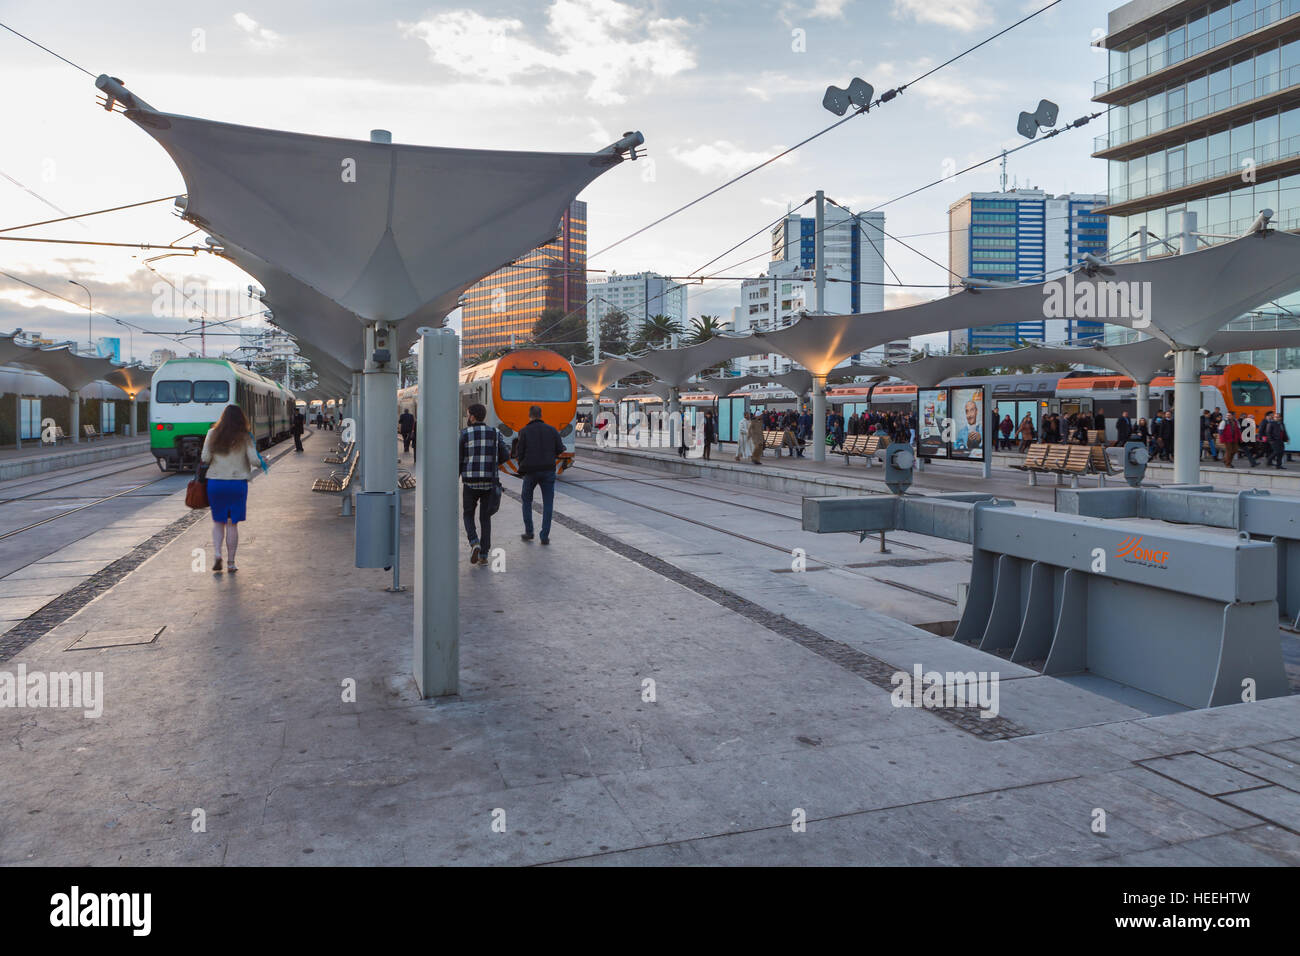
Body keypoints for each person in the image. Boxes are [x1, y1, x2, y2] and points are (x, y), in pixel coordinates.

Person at [201, 404, 265, 573]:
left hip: (216, 484)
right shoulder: (244, 436)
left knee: (218, 523)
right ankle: (231, 563)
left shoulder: (212, 434)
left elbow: (205, 458)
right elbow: (255, 460)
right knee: (232, 524)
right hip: (237, 484)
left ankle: (217, 554)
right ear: (241, 418)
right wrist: (262, 460)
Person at [459, 402, 509, 565]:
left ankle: (474, 542)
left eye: (468, 414)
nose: (468, 417)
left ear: (472, 416)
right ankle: (484, 556)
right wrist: (492, 463)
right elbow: (505, 455)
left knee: (468, 514)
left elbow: (459, 459)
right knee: (485, 518)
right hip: (489, 482)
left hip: (470, 482)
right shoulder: (495, 433)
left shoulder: (465, 433)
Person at [516, 405, 565, 544]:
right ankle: (544, 536)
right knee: (548, 503)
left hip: (530, 472)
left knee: (526, 500)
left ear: (529, 415)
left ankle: (529, 532)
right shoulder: (552, 430)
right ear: (541, 415)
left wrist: (523, 464)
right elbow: (560, 449)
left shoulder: (524, 431)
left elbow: (520, 453)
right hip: (548, 471)